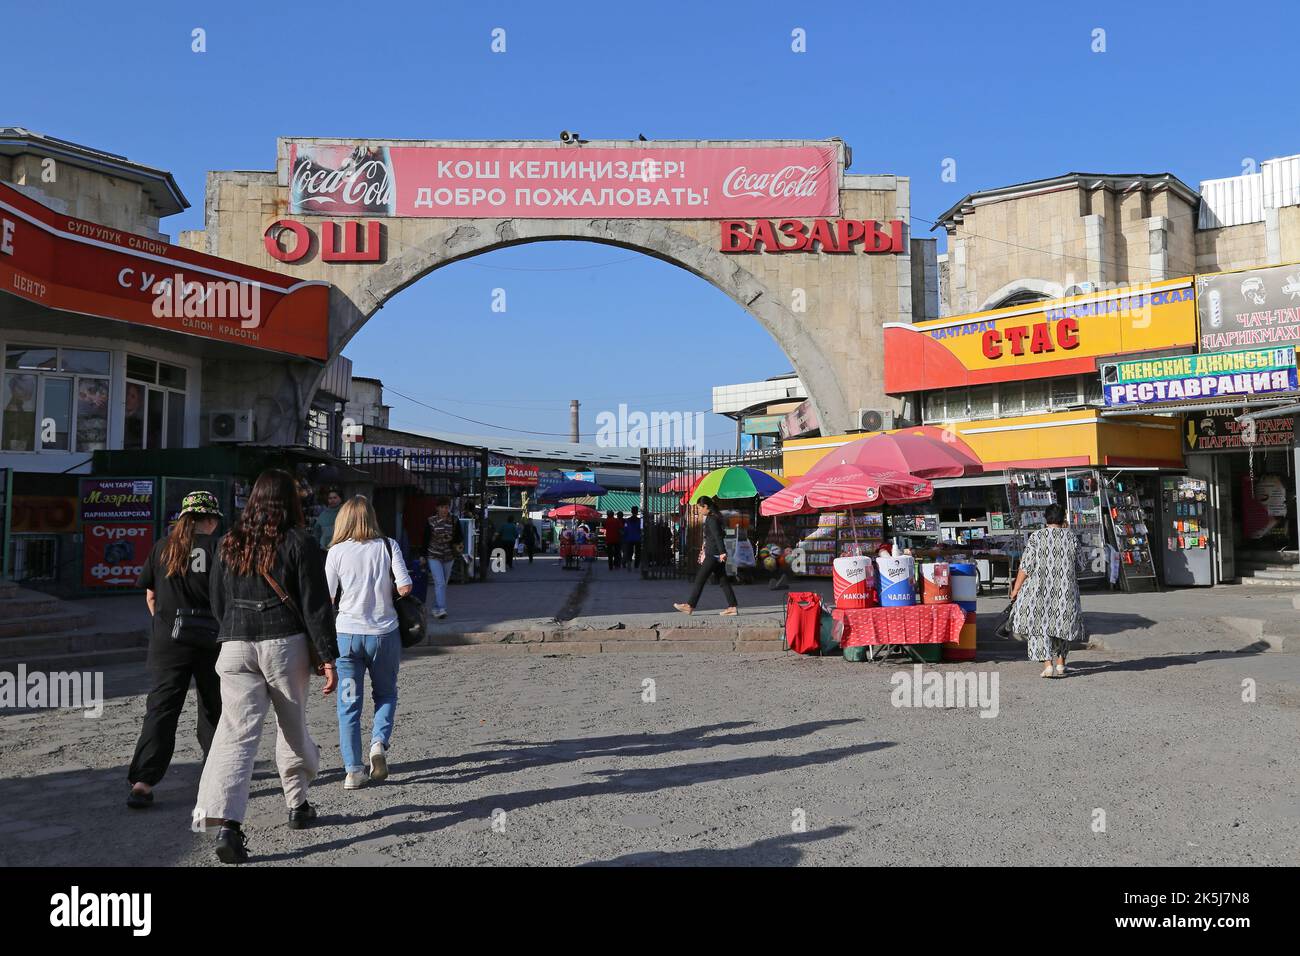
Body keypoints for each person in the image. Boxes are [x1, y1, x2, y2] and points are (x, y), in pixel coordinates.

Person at [195, 469, 338, 865]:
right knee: (293, 728)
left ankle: (228, 826)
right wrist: (328, 657)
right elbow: (315, 605)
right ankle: (297, 803)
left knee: (235, 737)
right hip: (284, 646)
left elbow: (218, 601)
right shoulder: (299, 542)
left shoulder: (227, 543)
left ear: (254, 499)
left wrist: (234, 634)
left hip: (235, 646)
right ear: (289, 502)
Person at [126, 491, 224, 810]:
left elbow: (151, 597)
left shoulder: (162, 548)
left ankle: (143, 781)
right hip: (211, 639)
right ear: (209, 520)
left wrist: (166, 626)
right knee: (214, 707)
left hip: (169, 640)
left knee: (162, 709)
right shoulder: (218, 548)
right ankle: (216, 772)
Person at [326, 496, 412, 790]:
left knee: (348, 704)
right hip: (383, 635)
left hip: (347, 638)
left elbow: (328, 598)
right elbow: (405, 586)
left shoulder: (336, 552)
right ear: (372, 517)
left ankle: (353, 770)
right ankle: (378, 743)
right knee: (386, 694)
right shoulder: (388, 546)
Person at [1009, 503, 1085, 678]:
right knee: (1063, 625)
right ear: (1063, 518)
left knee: (1040, 626)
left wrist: (1016, 588)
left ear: (1046, 518)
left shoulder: (1037, 537)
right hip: (1065, 591)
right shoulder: (1071, 537)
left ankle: (1048, 665)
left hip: (1039, 591)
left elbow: (1026, 567)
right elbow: (1081, 565)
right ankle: (1061, 664)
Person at [674, 496, 737, 617]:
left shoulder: (711, 519)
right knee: (723, 581)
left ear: (706, 507)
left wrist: (722, 552)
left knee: (699, 580)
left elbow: (718, 536)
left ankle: (689, 606)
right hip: (715, 553)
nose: (699, 511)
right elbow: (716, 535)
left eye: (699, 508)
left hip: (713, 555)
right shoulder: (715, 517)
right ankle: (732, 606)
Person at [423, 499, 463, 619]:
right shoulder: (431, 521)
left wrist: (455, 542)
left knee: (443, 583)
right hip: (434, 555)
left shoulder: (454, 520)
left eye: (447, 507)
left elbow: (459, 536)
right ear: (437, 508)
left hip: (449, 556)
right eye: (442, 507)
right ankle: (441, 609)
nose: (445, 510)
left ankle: (435, 608)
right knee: (439, 582)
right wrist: (422, 555)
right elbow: (425, 539)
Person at [622, 506, 643, 571]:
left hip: (629, 539)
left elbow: (625, 530)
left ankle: (629, 563)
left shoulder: (627, 521)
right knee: (638, 553)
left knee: (629, 552)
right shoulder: (640, 521)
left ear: (631, 511)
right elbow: (642, 530)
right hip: (637, 538)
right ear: (637, 512)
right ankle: (636, 565)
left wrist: (624, 536)